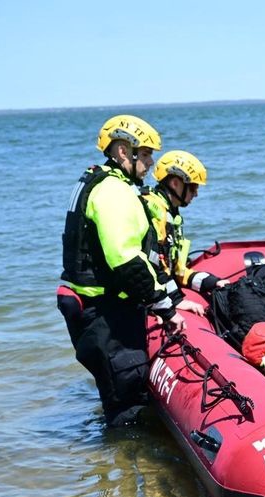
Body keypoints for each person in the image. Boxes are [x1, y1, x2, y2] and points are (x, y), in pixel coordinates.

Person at [58, 115, 186, 427]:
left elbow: (144, 257)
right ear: (123, 151)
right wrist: (166, 308)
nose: (151, 163)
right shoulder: (113, 192)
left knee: (119, 395)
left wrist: (171, 296)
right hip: (105, 313)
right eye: (146, 154)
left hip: (98, 309)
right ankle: (125, 458)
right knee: (126, 406)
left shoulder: (101, 182)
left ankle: (118, 456)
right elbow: (126, 261)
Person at [143, 150, 227, 305]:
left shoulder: (171, 214)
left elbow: (178, 272)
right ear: (175, 183)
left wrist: (212, 282)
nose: (196, 194)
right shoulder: (156, 212)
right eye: (193, 187)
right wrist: (176, 301)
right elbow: (153, 269)